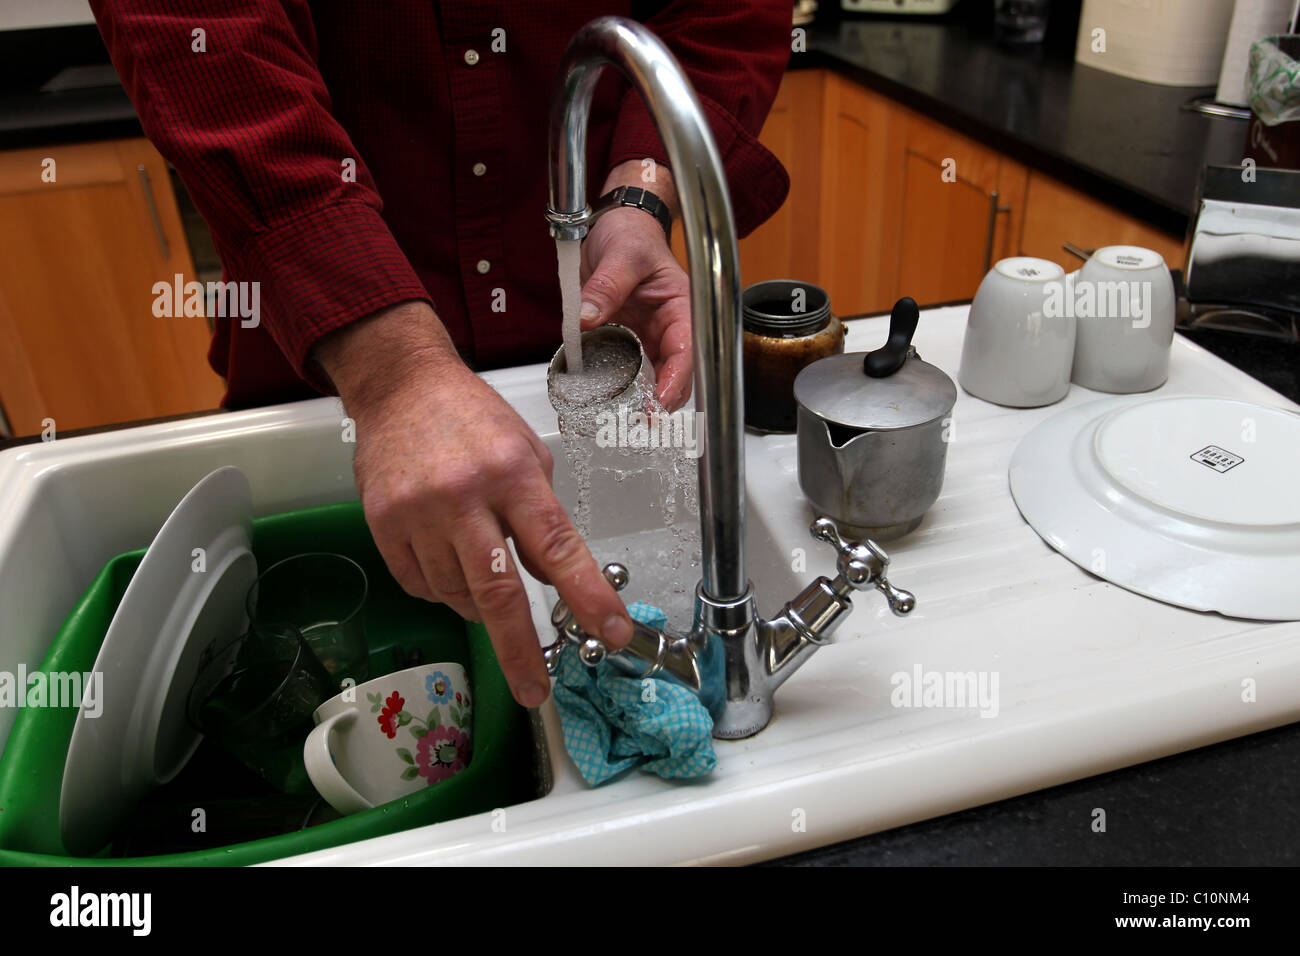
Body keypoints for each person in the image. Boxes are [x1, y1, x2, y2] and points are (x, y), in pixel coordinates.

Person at [91, 1, 791, 708]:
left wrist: (640, 198)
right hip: (332, 354)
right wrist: (390, 370)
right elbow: (208, 47)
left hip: (581, 305)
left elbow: (726, 17)